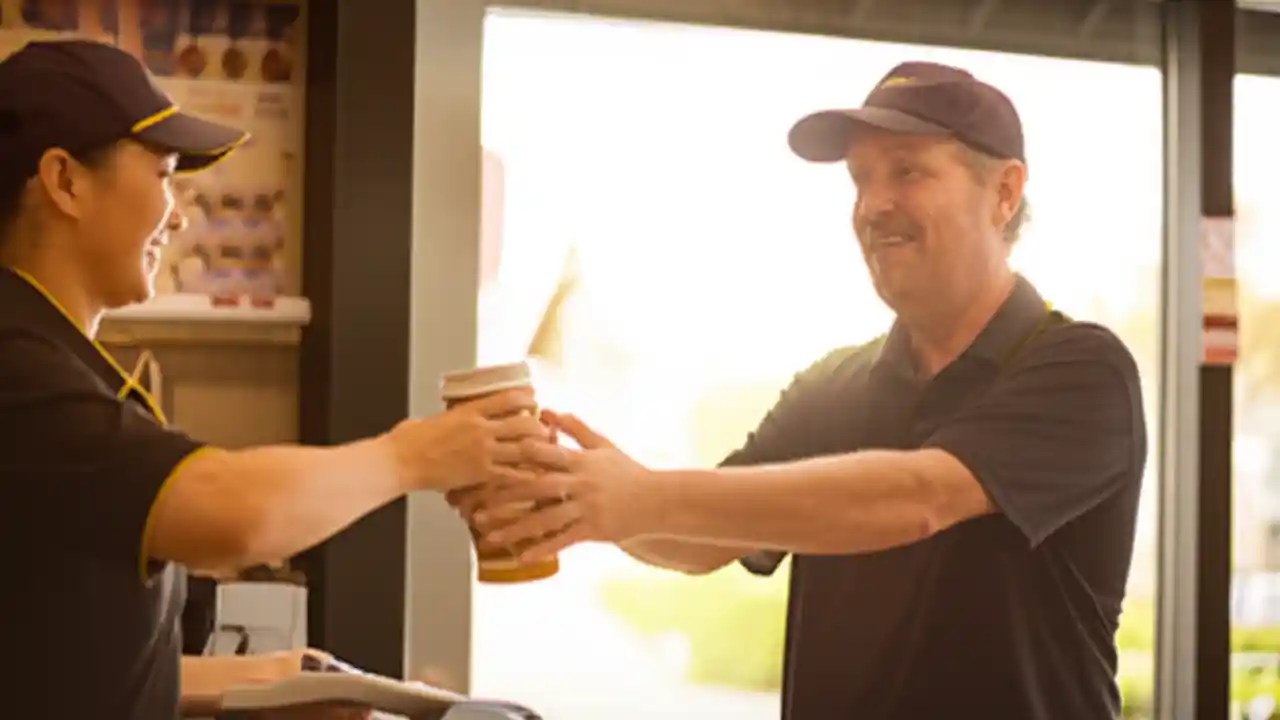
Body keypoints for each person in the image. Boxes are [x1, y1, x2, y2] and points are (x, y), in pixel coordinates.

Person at [459, 62, 1147, 719]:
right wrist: (578, 500)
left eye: (907, 172)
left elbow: (919, 498)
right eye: (860, 179)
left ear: (1004, 192)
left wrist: (639, 495)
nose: (873, 206)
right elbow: (704, 542)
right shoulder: (834, 384)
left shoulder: (1080, 370)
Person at [0, 40, 548, 719]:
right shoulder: (17, 367)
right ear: (65, 181)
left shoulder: (53, 357)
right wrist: (417, 455)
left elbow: (56, 653)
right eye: (164, 174)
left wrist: (277, 678)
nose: (178, 214)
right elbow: (233, 512)